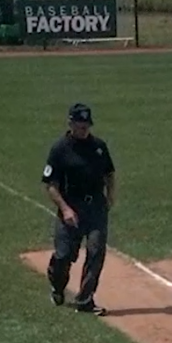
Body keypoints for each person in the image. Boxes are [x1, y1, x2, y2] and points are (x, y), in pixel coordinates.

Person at [43, 104, 117, 315]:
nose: (83, 129)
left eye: (86, 126)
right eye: (79, 125)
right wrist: (65, 209)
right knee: (64, 255)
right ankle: (57, 285)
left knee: (96, 251)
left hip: (95, 207)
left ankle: (85, 299)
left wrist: (110, 196)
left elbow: (109, 173)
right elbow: (50, 184)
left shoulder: (99, 147)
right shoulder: (60, 149)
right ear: (71, 124)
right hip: (71, 206)